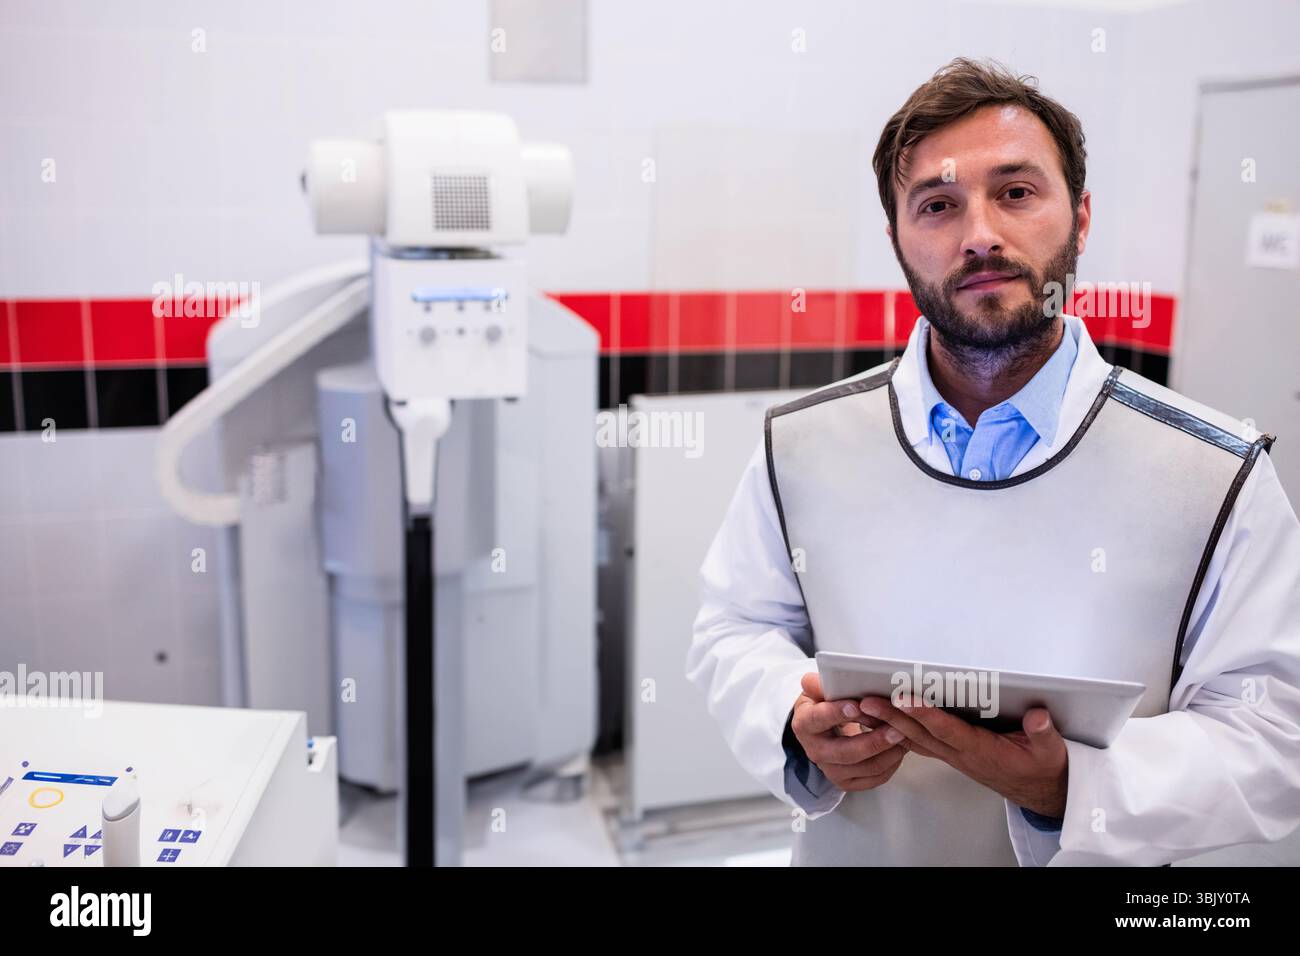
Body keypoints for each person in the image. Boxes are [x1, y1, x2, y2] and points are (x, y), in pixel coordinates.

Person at [686, 57, 1300, 866]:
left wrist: (1074, 786)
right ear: (898, 241)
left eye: (1016, 192)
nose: (980, 235)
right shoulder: (799, 443)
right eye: (938, 205)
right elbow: (737, 628)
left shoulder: (1216, 474)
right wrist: (794, 727)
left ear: (1079, 220)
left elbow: (1271, 731)